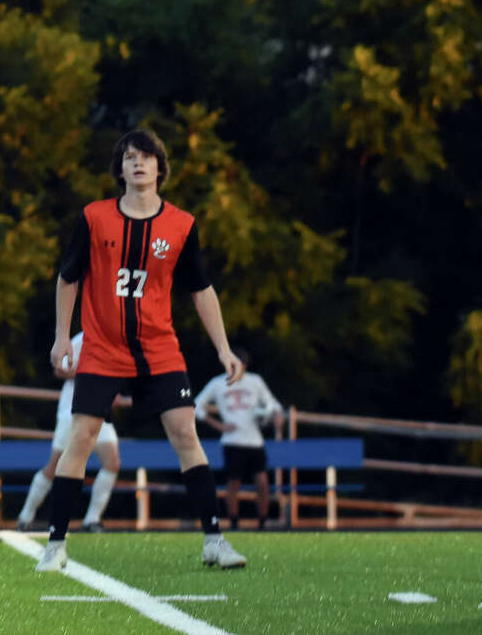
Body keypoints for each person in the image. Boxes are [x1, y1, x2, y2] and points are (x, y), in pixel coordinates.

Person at [34, 127, 248, 573]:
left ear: (159, 168)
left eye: (147, 157)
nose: (138, 163)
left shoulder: (181, 224)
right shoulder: (94, 217)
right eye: (130, 156)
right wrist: (60, 337)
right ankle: (55, 545)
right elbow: (68, 276)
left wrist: (224, 348)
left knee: (186, 435)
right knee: (81, 439)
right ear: (120, 169)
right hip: (103, 348)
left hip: (159, 348)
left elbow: (201, 289)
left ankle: (214, 539)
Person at [15, 331, 123, 533]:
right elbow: (59, 369)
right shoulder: (83, 338)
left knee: (112, 462)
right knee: (55, 464)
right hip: (72, 410)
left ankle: (92, 519)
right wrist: (91, 377)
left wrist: (110, 391)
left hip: (99, 409)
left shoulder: (116, 337)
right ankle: (25, 515)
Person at [195, 345, 284, 530]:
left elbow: (273, 405)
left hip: (255, 441)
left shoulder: (255, 381)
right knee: (233, 482)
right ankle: (234, 522)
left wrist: (276, 418)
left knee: (262, 482)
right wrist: (219, 425)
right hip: (232, 441)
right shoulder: (217, 383)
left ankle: (262, 522)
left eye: (240, 365)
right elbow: (196, 405)